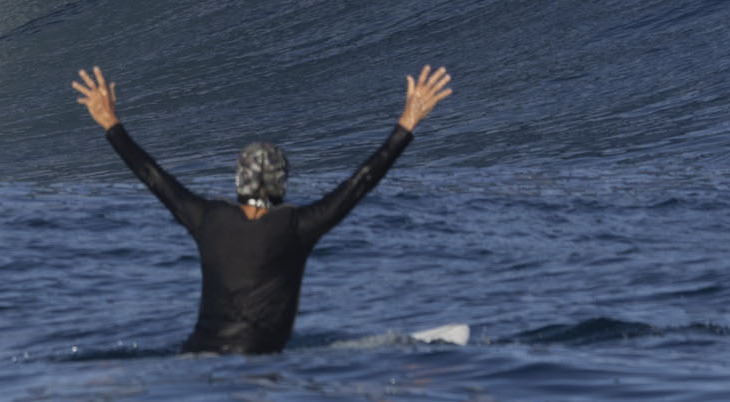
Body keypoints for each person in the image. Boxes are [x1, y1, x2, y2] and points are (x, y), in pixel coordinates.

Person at [71, 62, 452, 355]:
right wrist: (409, 120)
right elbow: (361, 181)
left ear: (238, 180)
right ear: (283, 185)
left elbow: (151, 175)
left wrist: (109, 121)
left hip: (194, 359)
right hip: (256, 372)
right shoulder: (297, 227)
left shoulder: (207, 219)